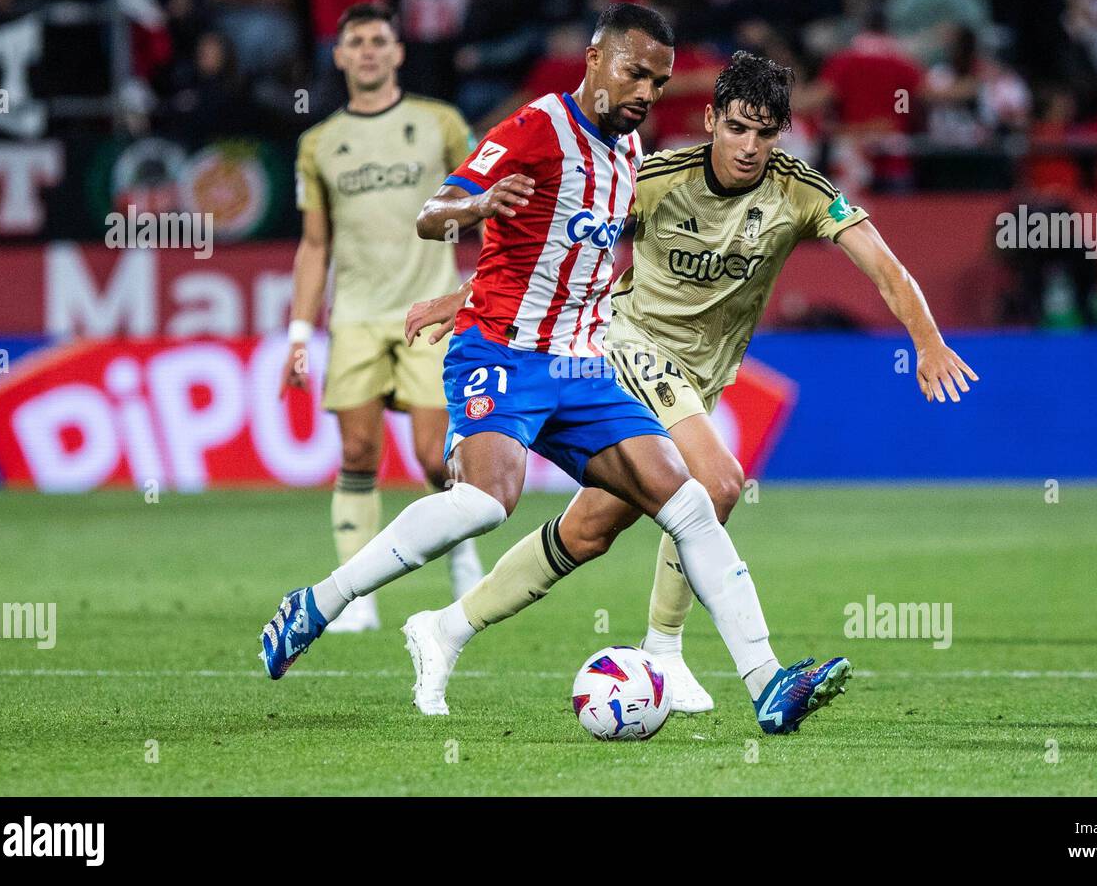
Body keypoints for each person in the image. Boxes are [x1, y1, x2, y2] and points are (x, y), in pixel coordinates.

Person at [262, 2, 850, 736]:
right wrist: (478, 206)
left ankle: (767, 683)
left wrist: (462, 290)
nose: (645, 92)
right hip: (502, 352)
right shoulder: (537, 126)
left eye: (658, 82)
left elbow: (573, 263)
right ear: (595, 60)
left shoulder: (628, 155)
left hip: (582, 368)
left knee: (691, 501)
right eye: (634, 73)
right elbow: (432, 211)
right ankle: (320, 602)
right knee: (486, 502)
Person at [401, 50, 978, 714]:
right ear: (710, 120)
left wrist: (927, 341)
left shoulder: (800, 192)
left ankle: (446, 628)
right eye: (737, 127)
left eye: (764, 133)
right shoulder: (654, 179)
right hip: (624, 343)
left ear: (782, 134)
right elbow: (561, 247)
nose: (748, 146)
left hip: (698, 378)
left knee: (589, 531)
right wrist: (462, 300)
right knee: (719, 480)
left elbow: (885, 267)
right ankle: (671, 652)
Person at [281, 2, 484, 632]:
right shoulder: (317, 144)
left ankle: (461, 552)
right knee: (358, 451)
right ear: (340, 55)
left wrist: (481, 291)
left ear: (398, 52)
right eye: (356, 42)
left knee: (433, 457)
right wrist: (298, 333)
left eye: (378, 40)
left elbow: (483, 207)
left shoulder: (441, 123)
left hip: (428, 309)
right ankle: (354, 597)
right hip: (356, 317)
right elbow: (315, 244)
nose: (368, 50)